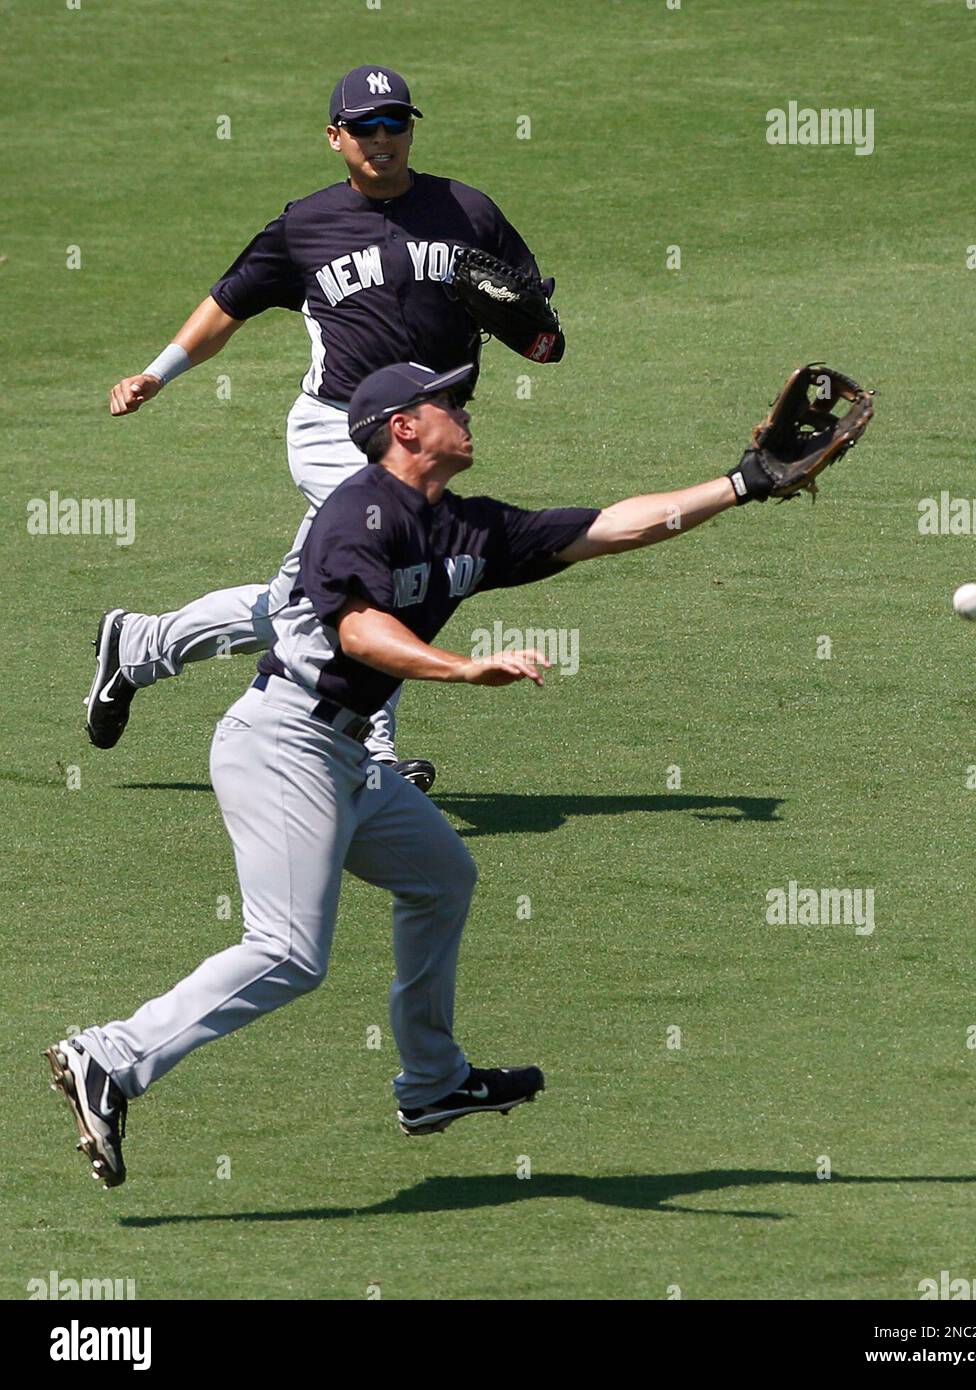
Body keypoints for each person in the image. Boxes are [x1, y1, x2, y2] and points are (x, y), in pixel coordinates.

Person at [46, 358, 779, 1188]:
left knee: (441, 878)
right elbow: (359, 633)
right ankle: (112, 1055)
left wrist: (741, 484)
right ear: (404, 428)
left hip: (346, 755)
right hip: (283, 744)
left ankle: (432, 1084)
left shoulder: (465, 526)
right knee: (289, 953)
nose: (465, 408)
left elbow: (613, 527)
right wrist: (463, 668)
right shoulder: (353, 516)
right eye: (446, 402)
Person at [89, 63, 564, 792]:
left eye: (395, 124)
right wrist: (159, 372)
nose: (383, 139)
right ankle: (371, 748)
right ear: (335, 137)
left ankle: (140, 644)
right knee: (392, 559)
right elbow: (228, 305)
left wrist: (538, 333)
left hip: (424, 431)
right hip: (335, 428)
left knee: (296, 604)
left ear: (411, 130)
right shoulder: (305, 225)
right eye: (365, 127)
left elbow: (531, 312)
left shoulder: (469, 210)